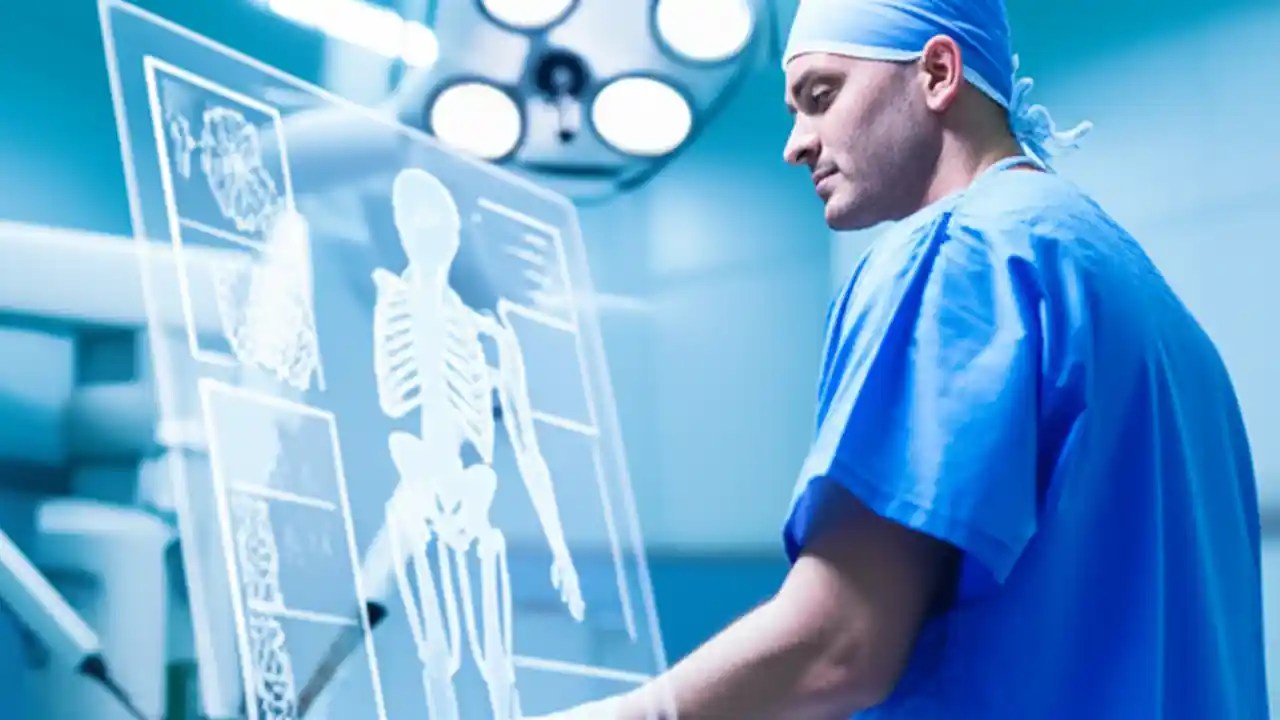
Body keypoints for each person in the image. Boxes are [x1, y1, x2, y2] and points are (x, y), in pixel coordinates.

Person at [536, 0, 1271, 717]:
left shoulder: (961, 257)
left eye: (821, 96)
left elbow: (843, 642)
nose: (796, 144)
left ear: (938, 73)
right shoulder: (1154, 313)